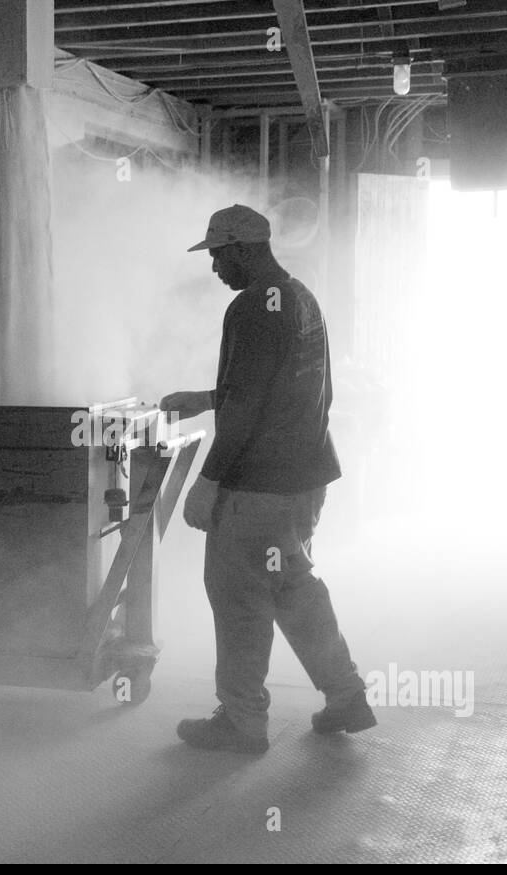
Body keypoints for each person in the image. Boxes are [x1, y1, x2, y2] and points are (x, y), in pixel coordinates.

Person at [161, 204, 374, 754]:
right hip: (305, 477)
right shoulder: (301, 298)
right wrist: (208, 399)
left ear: (240, 249)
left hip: (258, 484)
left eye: (217, 255)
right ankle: (346, 694)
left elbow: (251, 403)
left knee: (237, 598)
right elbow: (288, 388)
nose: (214, 268)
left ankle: (241, 721)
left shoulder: (251, 305)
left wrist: (209, 479)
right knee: (294, 588)